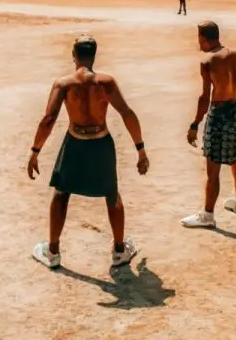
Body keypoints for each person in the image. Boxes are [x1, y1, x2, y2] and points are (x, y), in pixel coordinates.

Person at [27, 35, 149, 269]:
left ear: (73, 55)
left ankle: (52, 251)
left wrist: (35, 151)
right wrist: (140, 150)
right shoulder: (106, 82)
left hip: (75, 142)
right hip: (101, 142)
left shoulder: (64, 84)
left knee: (61, 193)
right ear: (94, 56)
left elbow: (48, 119)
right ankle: (119, 251)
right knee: (112, 194)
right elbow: (127, 113)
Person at [182, 21, 236, 229]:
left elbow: (205, 97)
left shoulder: (208, 61)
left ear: (203, 37)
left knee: (213, 164)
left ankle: (208, 214)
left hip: (219, 111)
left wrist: (195, 123)